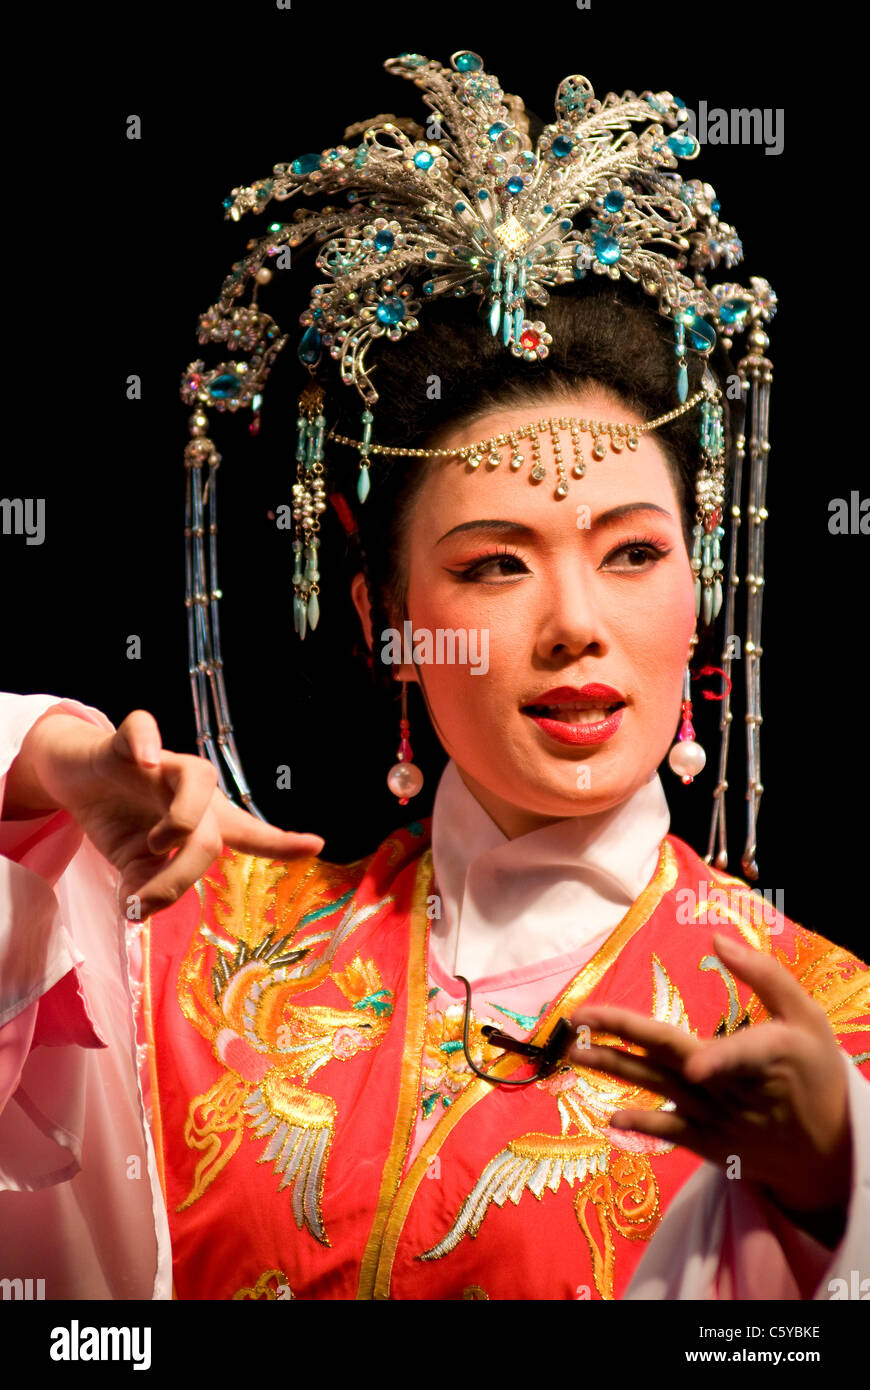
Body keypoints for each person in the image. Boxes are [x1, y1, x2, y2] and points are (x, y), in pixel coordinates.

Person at [1, 50, 868, 1302]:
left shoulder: (826, 1036)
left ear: (702, 586)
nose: (578, 623)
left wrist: (830, 1192)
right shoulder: (192, 955)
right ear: (383, 619)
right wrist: (53, 766)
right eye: (497, 567)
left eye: (633, 553)